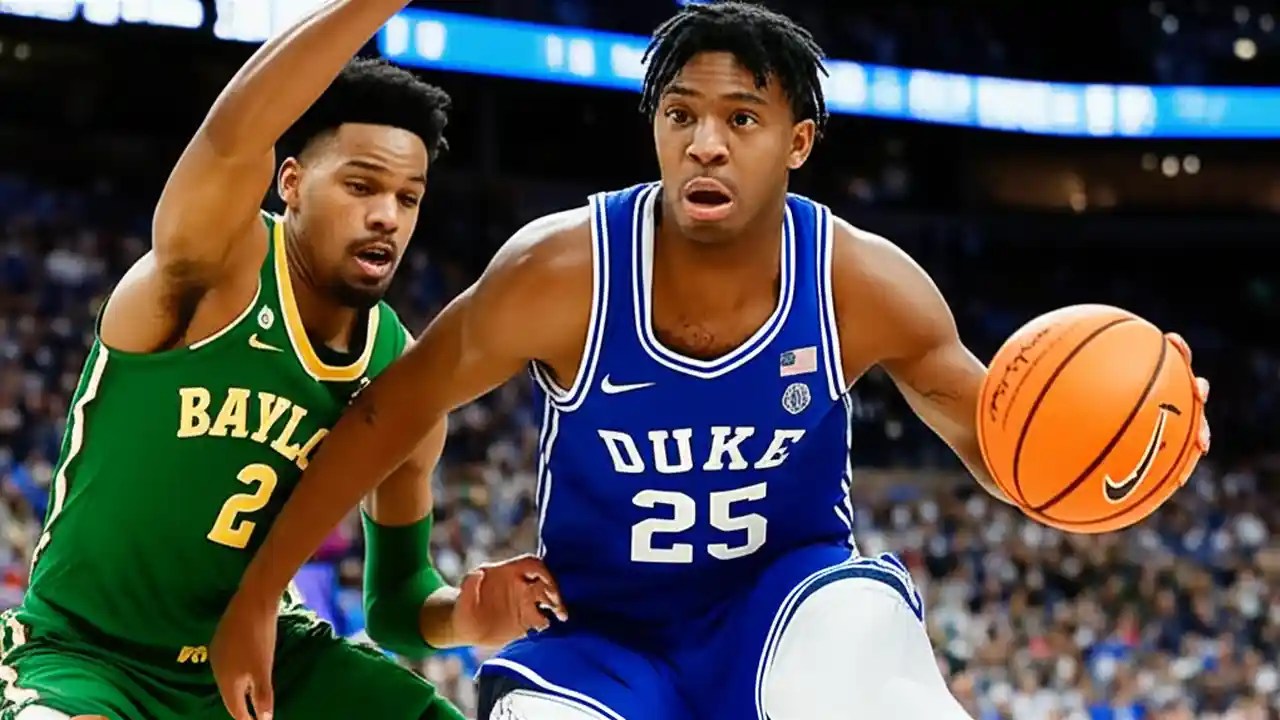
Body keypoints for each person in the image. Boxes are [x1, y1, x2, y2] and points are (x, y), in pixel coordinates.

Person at [209, 3, 1212, 719]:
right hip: (600, 641)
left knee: (868, 685)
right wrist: (258, 592)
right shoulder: (560, 272)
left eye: (741, 119)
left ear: (797, 141)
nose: (705, 144)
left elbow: (1007, 451)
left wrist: (1134, 449)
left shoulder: (862, 283)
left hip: (785, 608)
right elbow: (388, 413)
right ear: (652, 129)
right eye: (681, 115)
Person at [0, 2, 560, 719]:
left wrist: (463, 617)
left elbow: (396, 601)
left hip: (265, 657)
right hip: (88, 655)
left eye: (407, 197)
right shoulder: (213, 268)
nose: (387, 214)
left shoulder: (404, 376)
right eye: (361, 186)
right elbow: (236, 131)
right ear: (290, 182)